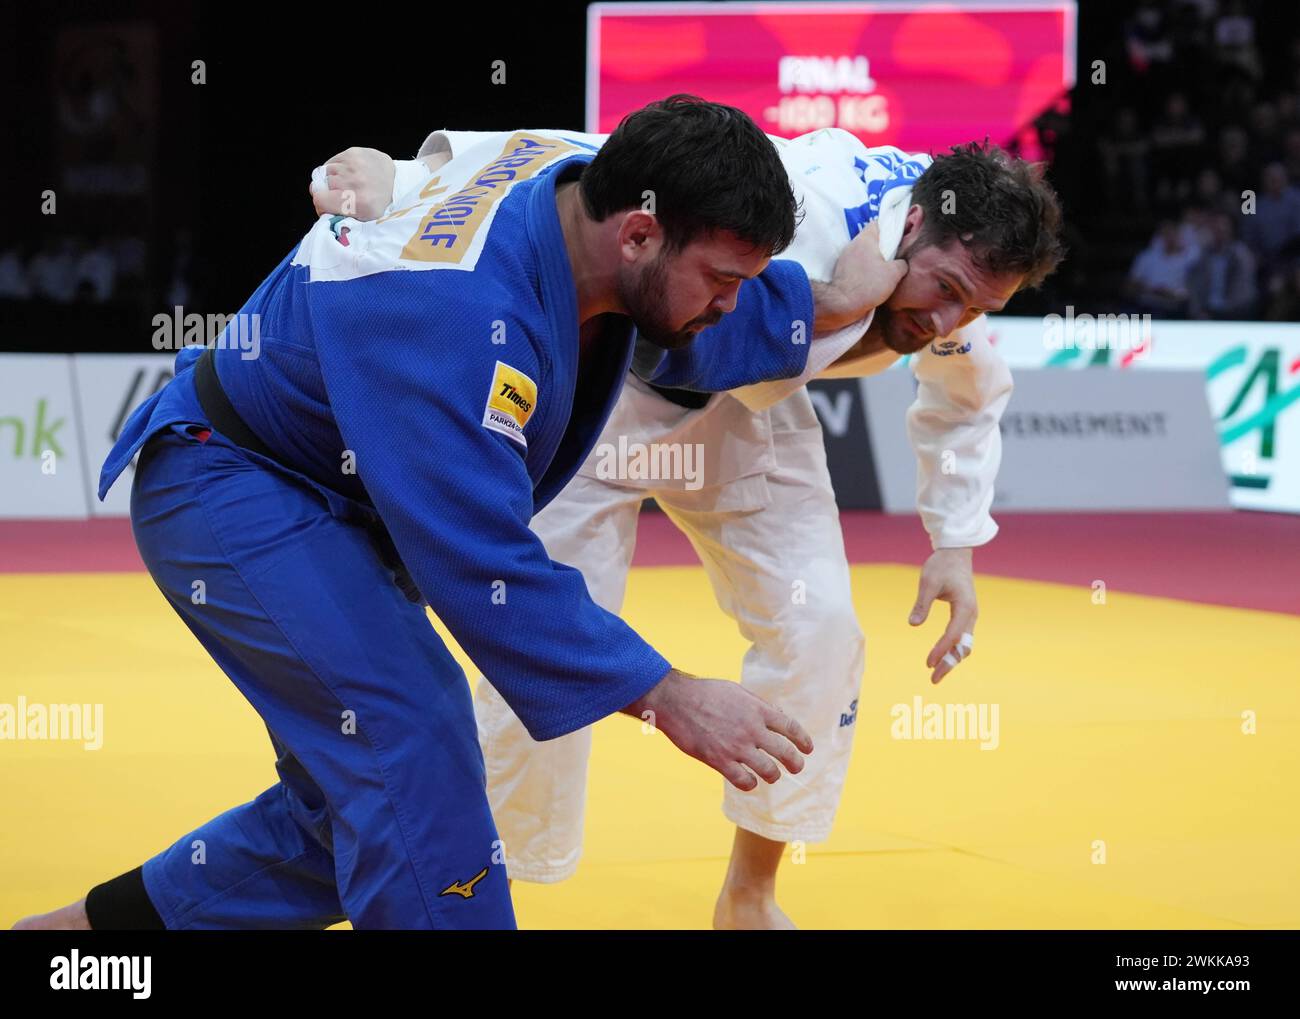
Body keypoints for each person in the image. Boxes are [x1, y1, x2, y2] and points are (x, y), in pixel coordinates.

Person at [12, 97, 906, 931]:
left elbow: (708, 321)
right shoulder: (450, 313)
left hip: (331, 491)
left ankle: (81, 940)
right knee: (415, 743)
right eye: (722, 277)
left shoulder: (581, 185)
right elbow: (483, 564)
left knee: (356, 813)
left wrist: (835, 304)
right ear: (638, 234)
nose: (730, 302)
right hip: (233, 482)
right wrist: (668, 695)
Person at [310, 125, 1064, 928]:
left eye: (975, 307)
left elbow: (968, 395)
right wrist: (414, 171)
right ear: (911, 227)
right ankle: (492, 892)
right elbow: (619, 161)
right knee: (542, 648)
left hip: (738, 415)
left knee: (822, 628)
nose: (946, 319)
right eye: (945, 289)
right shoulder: (814, 201)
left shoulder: (953, 275)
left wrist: (953, 543)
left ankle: (750, 895)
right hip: (606, 403)